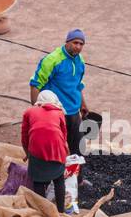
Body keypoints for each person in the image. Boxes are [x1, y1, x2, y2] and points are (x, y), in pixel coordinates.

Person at [29, 28, 90, 156]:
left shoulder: (80, 61)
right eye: (75, 43)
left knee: (78, 150)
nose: (78, 47)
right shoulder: (52, 60)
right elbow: (35, 85)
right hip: (55, 113)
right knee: (57, 151)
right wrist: (37, 113)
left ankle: (77, 176)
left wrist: (82, 104)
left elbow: (78, 85)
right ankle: (58, 176)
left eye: (81, 44)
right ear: (67, 42)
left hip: (73, 112)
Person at [20, 90, 69, 213]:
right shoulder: (59, 112)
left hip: (36, 149)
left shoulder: (29, 112)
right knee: (59, 179)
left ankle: (42, 211)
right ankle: (60, 211)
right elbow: (64, 135)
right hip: (56, 149)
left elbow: (24, 136)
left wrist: (28, 154)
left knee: (38, 181)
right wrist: (64, 151)